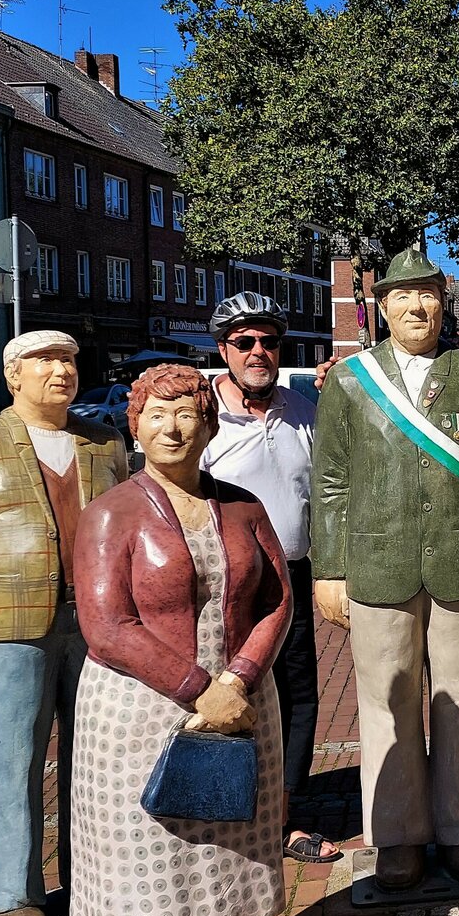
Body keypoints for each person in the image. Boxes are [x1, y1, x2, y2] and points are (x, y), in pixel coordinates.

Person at [69, 364, 293, 916]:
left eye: (187, 414)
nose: (172, 428)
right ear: (133, 425)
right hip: (144, 704)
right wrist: (202, 689)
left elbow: (278, 599)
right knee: (158, 840)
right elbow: (106, 625)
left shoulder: (244, 506)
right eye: (156, 414)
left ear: (209, 423)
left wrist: (242, 676)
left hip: (241, 697)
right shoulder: (113, 513)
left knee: (228, 835)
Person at [311, 243, 459, 890]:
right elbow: (332, 482)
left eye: (427, 294)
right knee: (386, 704)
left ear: (443, 302)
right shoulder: (351, 379)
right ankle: (398, 836)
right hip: (377, 563)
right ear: (380, 307)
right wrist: (329, 568)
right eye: (402, 295)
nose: (416, 306)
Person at [0, 330, 128, 916]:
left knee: (93, 758)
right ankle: (13, 894)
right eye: (45, 361)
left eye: (69, 360)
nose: (61, 371)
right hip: (6, 624)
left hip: (94, 622)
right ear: (13, 375)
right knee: (9, 760)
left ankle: (88, 878)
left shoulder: (103, 442)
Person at [199, 291, 340, 865]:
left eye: (269, 342)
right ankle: (222, 814)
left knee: (298, 696)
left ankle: (285, 816)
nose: (259, 352)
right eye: (245, 342)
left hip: (293, 577)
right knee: (226, 692)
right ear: (223, 350)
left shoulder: (302, 409)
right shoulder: (200, 411)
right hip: (223, 583)